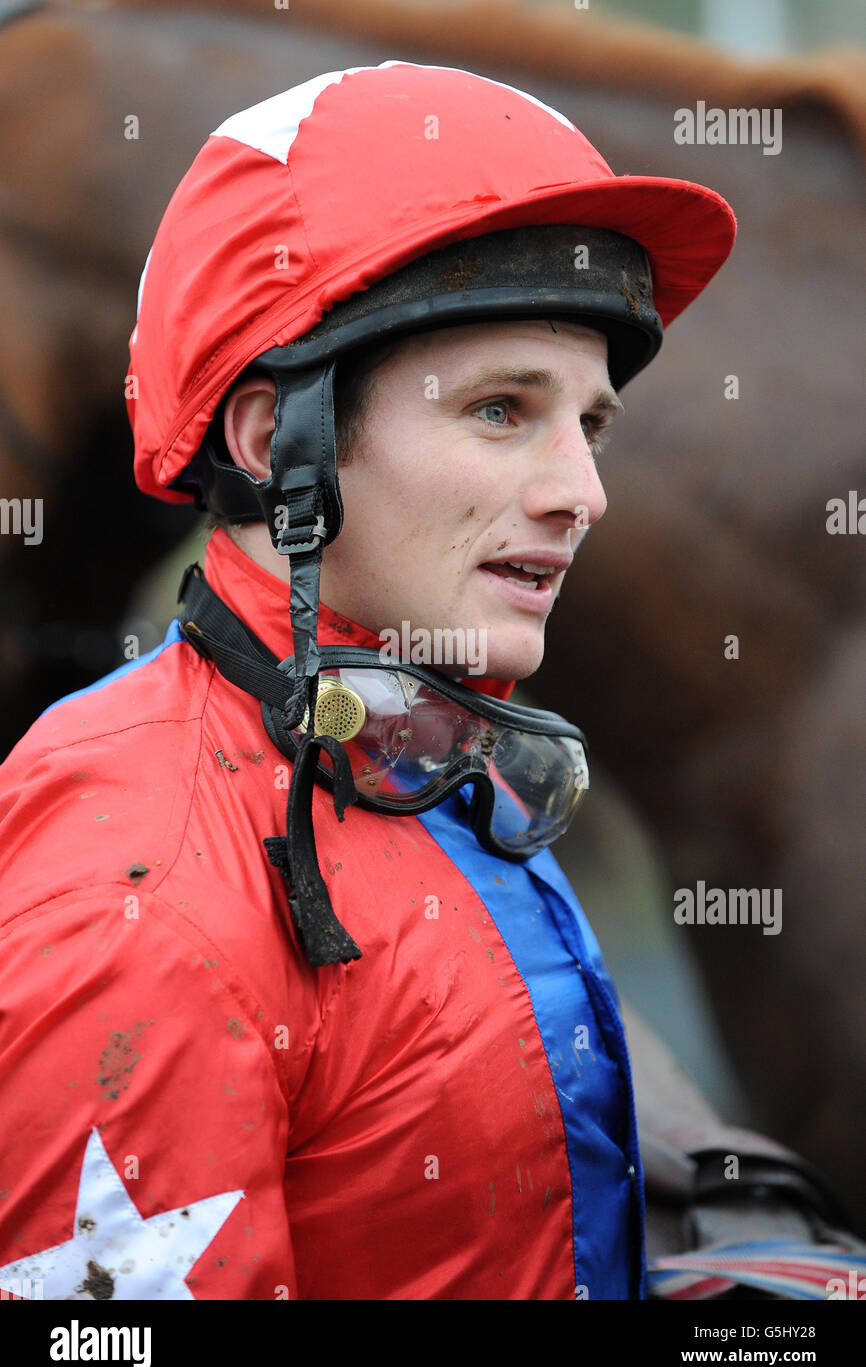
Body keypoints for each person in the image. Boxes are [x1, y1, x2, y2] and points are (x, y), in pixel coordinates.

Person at [0, 61, 856, 1304]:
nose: (582, 493)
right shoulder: (140, 887)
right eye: (503, 410)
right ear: (269, 443)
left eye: (591, 423)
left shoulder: (424, 748)